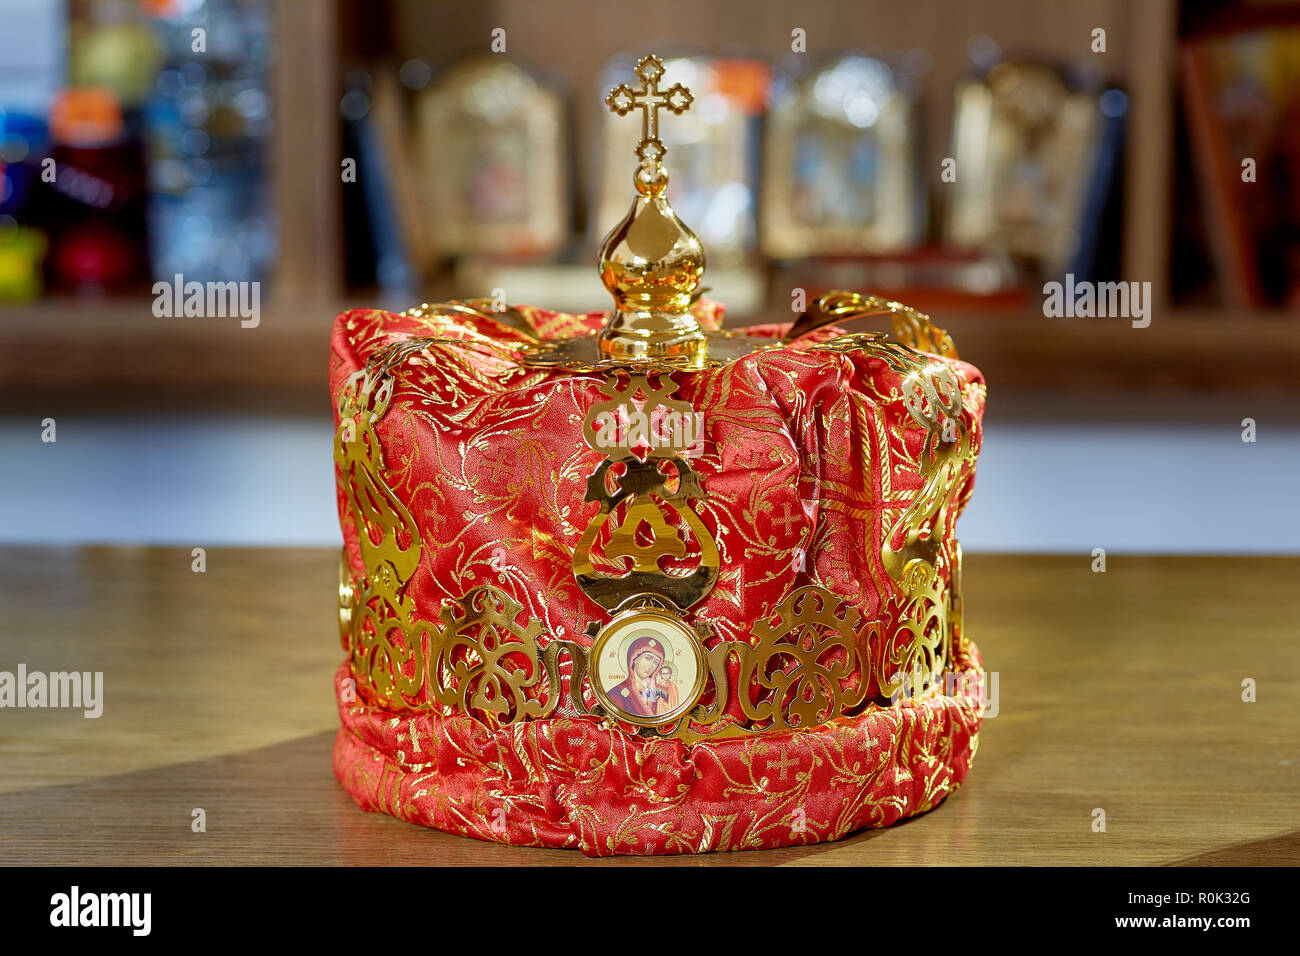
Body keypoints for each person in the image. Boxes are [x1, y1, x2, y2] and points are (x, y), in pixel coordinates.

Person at [605, 635, 665, 718]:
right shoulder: (617, 693)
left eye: (656, 662)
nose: (651, 666)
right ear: (635, 658)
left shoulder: (658, 694)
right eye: (648, 658)